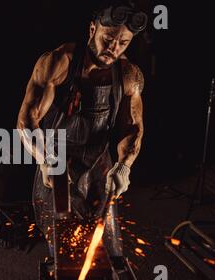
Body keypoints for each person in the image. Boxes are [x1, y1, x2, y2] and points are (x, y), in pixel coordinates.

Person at [17, 2, 146, 262]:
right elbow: (26, 121)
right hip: (57, 160)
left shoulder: (129, 75)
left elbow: (132, 127)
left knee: (110, 247)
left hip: (99, 163)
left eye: (123, 43)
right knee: (64, 248)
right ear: (91, 30)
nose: (113, 49)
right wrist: (45, 161)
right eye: (108, 39)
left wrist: (124, 166)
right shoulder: (58, 62)